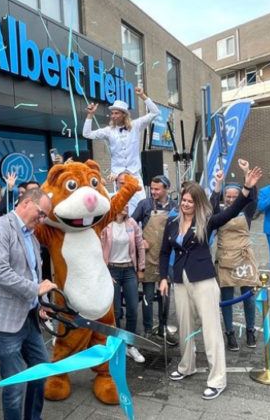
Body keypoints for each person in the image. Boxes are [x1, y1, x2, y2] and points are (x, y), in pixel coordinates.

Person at [158, 166, 262, 400]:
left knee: (211, 329)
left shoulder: (207, 221)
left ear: (198, 203)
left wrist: (247, 187)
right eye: (184, 200)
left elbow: (231, 211)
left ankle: (217, 379)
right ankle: (187, 366)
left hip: (203, 280)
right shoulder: (172, 222)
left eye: (190, 201)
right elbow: (164, 252)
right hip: (180, 280)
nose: (186, 204)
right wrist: (163, 277)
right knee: (184, 326)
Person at [0, 188, 57, 420]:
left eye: (45, 216)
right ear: (26, 203)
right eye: (41, 213)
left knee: (41, 371)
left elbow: (34, 274)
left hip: (28, 316)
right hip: (2, 320)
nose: (42, 219)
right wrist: (35, 290)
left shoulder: (31, 235)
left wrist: (42, 303)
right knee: (15, 384)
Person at [82, 86, 160, 214]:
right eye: (112, 113)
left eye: (116, 113)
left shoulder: (136, 125)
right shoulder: (108, 131)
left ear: (124, 114)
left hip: (134, 174)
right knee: (121, 208)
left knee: (143, 206)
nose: (113, 116)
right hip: (118, 177)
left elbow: (155, 112)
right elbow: (87, 134)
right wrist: (90, 115)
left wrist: (142, 96)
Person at [210, 160, 260, 351]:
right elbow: (211, 205)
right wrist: (218, 184)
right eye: (228, 196)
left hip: (244, 257)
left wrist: (247, 173)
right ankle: (229, 333)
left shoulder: (246, 211)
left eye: (234, 196)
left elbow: (252, 198)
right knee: (227, 297)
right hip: (225, 259)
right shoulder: (219, 213)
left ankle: (250, 330)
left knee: (249, 296)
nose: (231, 199)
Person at [132, 175, 178, 345]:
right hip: (149, 256)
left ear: (166, 188)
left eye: (157, 189)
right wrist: (140, 240)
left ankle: (163, 329)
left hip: (168, 257)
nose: (153, 192)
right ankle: (148, 330)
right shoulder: (144, 204)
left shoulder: (175, 206)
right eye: (152, 188)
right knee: (148, 296)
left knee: (165, 296)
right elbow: (131, 223)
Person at [100, 206, 146, 363]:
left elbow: (140, 246)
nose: (126, 206)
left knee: (133, 308)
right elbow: (98, 249)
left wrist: (141, 268)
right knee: (116, 311)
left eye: (127, 204)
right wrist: (104, 272)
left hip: (129, 270)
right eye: (123, 203)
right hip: (112, 270)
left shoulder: (132, 223)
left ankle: (130, 345)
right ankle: (118, 344)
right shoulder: (106, 225)